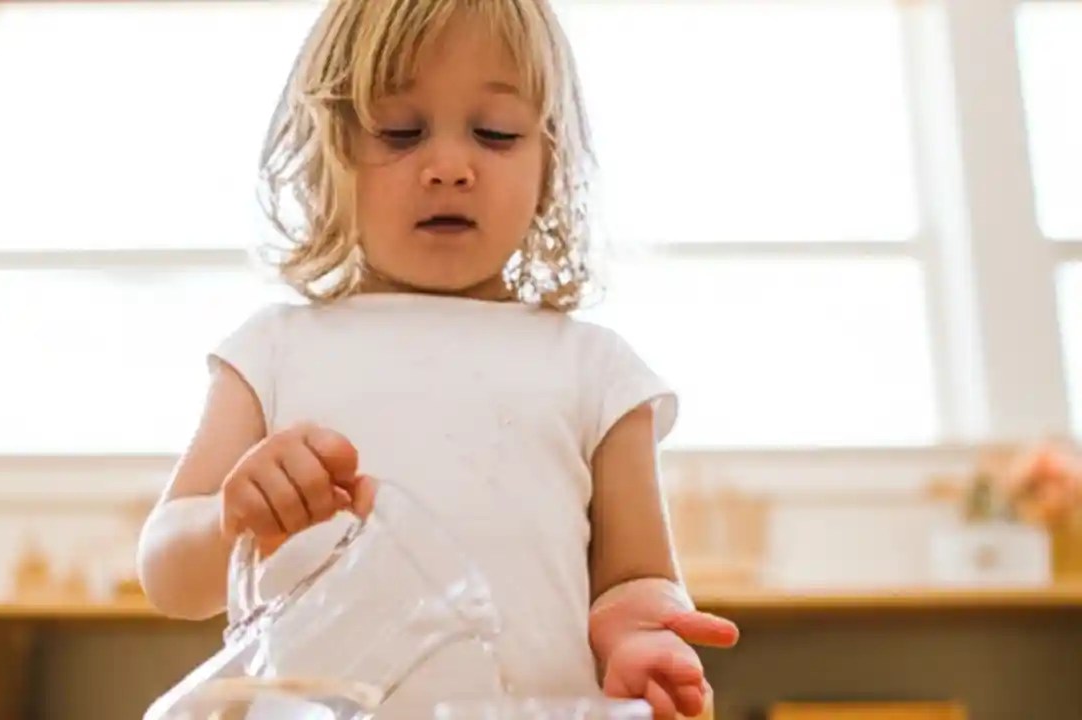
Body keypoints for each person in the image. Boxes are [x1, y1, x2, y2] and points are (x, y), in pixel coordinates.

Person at [137, 0, 740, 717]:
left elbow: (638, 577)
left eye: (495, 133)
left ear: (550, 161)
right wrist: (231, 520)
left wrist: (641, 631)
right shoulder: (272, 349)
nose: (450, 166)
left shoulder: (596, 368)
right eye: (400, 131)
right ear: (327, 149)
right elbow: (169, 575)